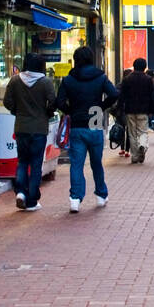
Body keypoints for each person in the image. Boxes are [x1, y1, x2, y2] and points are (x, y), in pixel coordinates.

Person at [55, 46, 120, 212]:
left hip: (77, 123)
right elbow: (113, 94)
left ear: (76, 60)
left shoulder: (68, 79)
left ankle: (75, 199)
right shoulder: (100, 77)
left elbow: (60, 102)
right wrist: (101, 107)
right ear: (91, 58)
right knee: (96, 162)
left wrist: (71, 111)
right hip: (95, 120)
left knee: (76, 163)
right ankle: (100, 195)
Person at [1, 52, 55, 211]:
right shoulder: (45, 82)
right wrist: (47, 113)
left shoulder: (15, 80)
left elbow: (7, 101)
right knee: (36, 164)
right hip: (39, 128)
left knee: (22, 162)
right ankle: (31, 200)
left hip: (21, 127)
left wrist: (17, 111)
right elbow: (53, 103)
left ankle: (20, 192)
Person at [118, 58, 154, 164]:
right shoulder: (148, 80)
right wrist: (152, 110)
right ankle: (142, 145)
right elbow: (152, 96)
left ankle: (134, 156)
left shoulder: (127, 79)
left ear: (134, 66)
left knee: (132, 133)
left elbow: (122, 96)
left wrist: (120, 109)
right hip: (144, 110)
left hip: (130, 110)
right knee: (142, 131)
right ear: (144, 67)